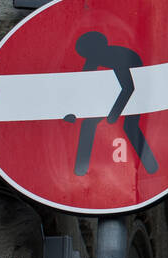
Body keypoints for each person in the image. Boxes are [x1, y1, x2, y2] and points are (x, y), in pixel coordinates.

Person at [67, 31, 159, 176]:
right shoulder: (95, 56)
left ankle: (151, 166)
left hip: (139, 88)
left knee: (130, 126)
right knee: (88, 123)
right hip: (117, 89)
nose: (87, 59)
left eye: (87, 54)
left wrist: (113, 114)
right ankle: (81, 169)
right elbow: (84, 81)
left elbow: (129, 88)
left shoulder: (118, 57)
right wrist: (73, 110)